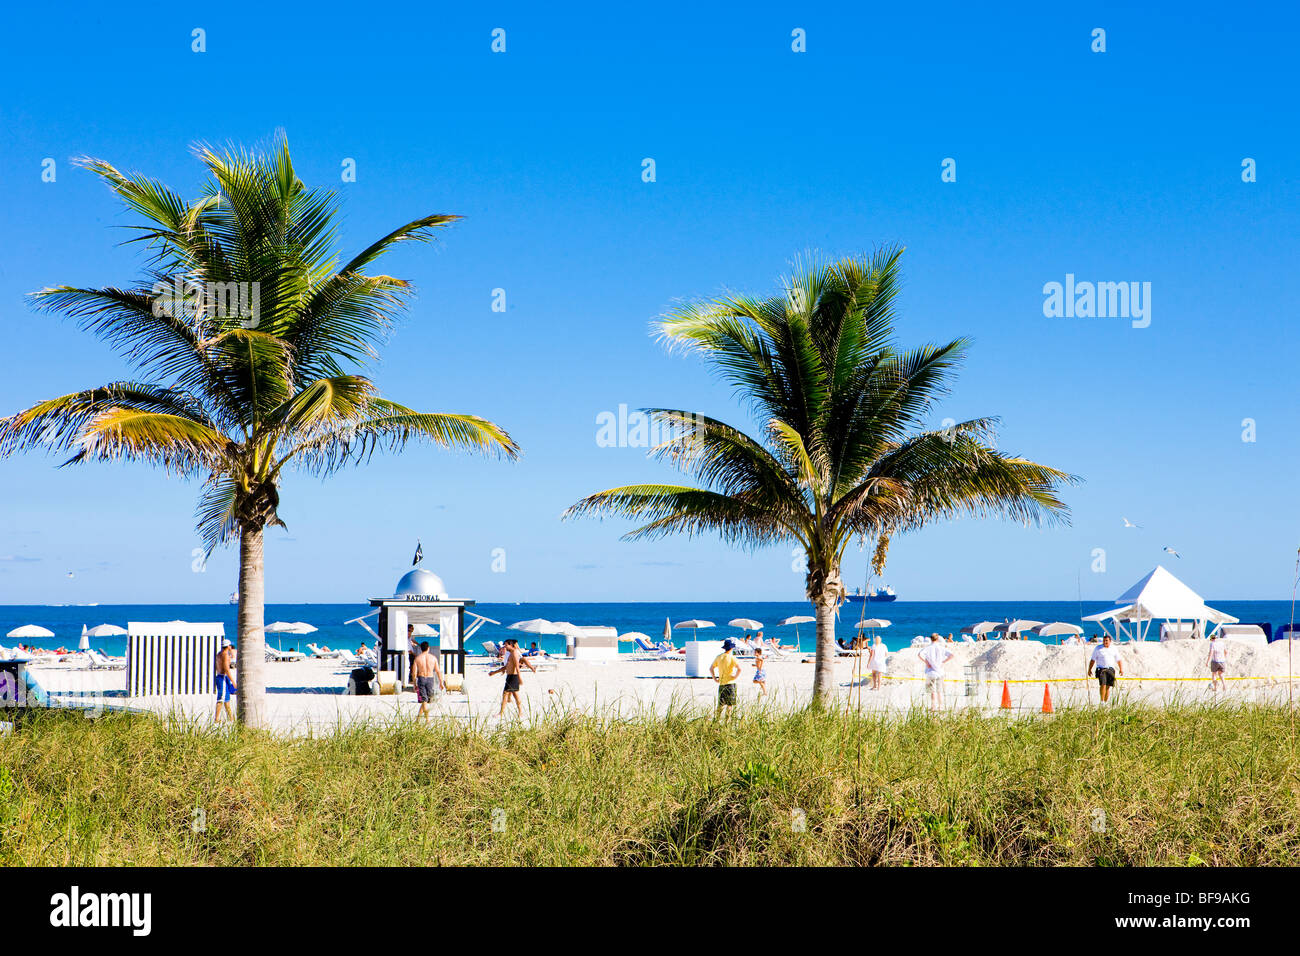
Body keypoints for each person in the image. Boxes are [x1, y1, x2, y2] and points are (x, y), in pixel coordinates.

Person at [489, 637, 536, 718]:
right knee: (514, 695)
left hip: (513, 677)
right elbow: (506, 667)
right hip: (510, 676)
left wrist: (520, 678)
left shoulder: (514, 653)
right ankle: (519, 713)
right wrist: (494, 672)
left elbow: (517, 666)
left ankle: (502, 713)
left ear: (511, 645)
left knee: (506, 694)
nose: (505, 647)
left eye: (506, 645)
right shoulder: (510, 654)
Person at [411, 640, 446, 722]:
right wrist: (441, 682)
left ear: (421, 649)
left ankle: (419, 719)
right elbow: (438, 671)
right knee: (426, 700)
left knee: (425, 700)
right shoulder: (433, 658)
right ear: (428, 648)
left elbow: (414, 673)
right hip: (430, 679)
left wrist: (414, 683)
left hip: (421, 678)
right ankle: (427, 719)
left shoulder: (417, 658)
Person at [918, 634, 954, 712]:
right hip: (940, 672)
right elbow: (952, 655)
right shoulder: (941, 648)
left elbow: (919, 655)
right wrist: (943, 662)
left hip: (930, 672)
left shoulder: (928, 648)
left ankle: (933, 707)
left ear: (931, 639)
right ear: (937, 639)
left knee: (932, 691)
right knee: (939, 690)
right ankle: (940, 707)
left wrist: (926, 662)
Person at [710, 639, 742, 720]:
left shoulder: (719, 657)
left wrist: (715, 678)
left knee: (720, 704)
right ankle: (727, 722)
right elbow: (739, 669)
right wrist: (735, 677)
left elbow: (711, 668)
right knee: (729, 705)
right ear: (731, 648)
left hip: (722, 683)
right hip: (731, 683)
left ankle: (717, 720)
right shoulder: (732, 658)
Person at [1087, 634, 1123, 703]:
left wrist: (1121, 669)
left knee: (1108, 687)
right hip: (1101, 669)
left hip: (1110, 669)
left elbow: (1118, 660)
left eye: (1106, 641)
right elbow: (1092, 660)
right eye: (1104, 641)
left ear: (1110, 641)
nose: (1105, 642)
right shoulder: (1098, 648)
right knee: (1103, 684)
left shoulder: (1114, 649)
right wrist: (1089, 669)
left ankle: (1105, 702)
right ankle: (1102, 701)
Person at [214, 638, 237, 722]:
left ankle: (231, 718)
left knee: (226, 699)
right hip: (223, 677)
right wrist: (233, 682)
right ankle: (216, 719)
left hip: (220, 676)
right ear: (228, 646)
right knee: (221, 698)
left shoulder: (219, 654)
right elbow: (227, 670)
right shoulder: (225, 655)